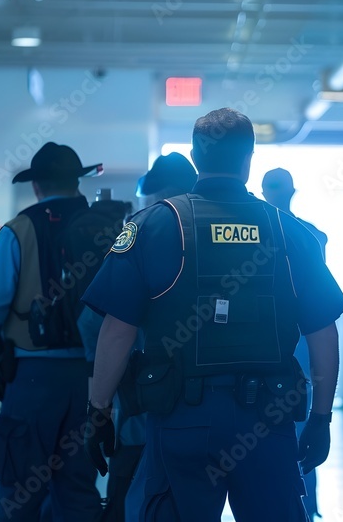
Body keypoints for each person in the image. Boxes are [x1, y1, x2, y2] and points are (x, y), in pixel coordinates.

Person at [82, 107, 343, 522]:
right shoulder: (289, 231)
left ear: (195, 156)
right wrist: (321, 417)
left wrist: (98, 409)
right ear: (249, 159)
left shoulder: (154, 226)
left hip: (182, 420)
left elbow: (117, 330)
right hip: (266, 420)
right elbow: (324, 332)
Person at [0, 142, 103, 522]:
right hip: (93, 381)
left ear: (36, 186)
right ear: (78, 183)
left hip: (32, 381)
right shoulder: (105, 230)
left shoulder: (19, 230)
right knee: (78, 490)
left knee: (19, 491)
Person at [78, 153, 198, 522]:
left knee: (133, 496)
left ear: (157, 193)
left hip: (146, 399)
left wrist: (99, 403)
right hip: (216, 404)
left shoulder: (144, 228)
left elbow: (98, 324)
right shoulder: (215, 226)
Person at [261, 167, 326, 520]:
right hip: (271, 351)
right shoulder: (307, 236)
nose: (276, 194)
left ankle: (304, 508)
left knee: (301, 434)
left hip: (297, 350)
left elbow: (318, 311)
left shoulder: (311, 236)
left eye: (278, 187)